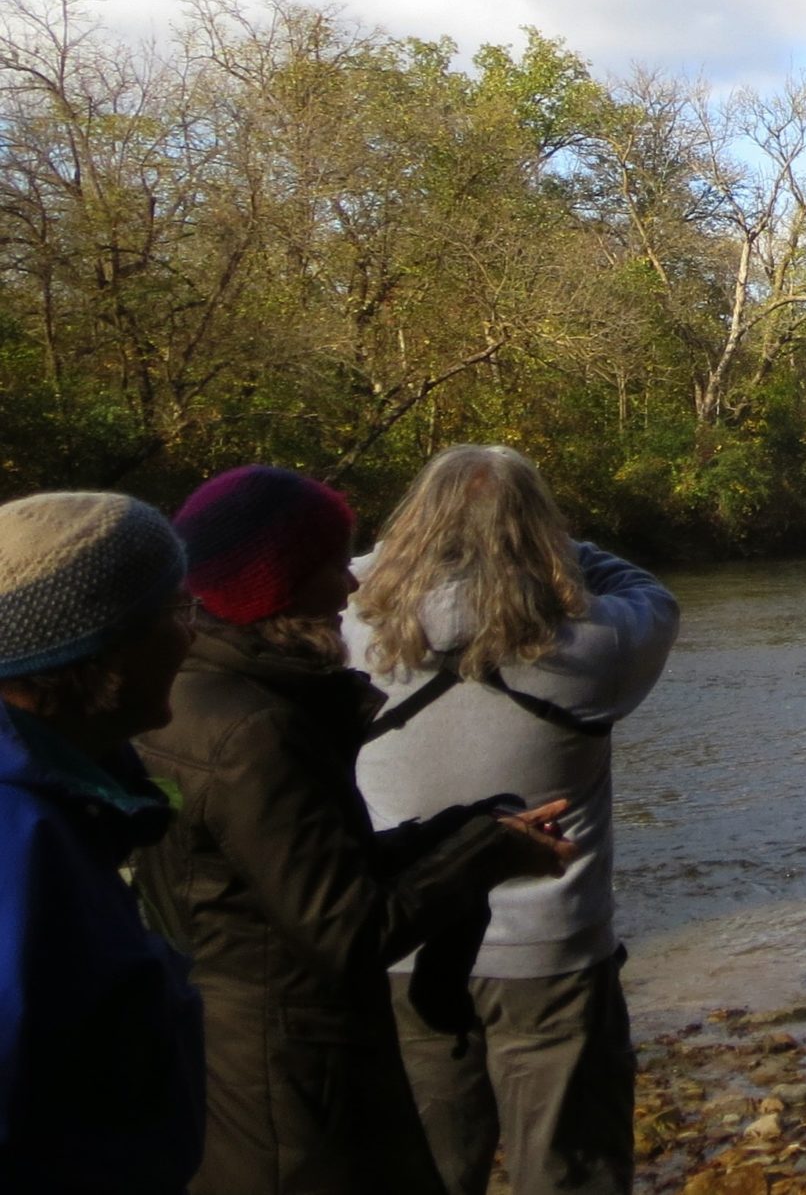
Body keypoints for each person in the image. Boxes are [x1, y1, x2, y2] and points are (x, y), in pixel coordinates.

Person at [134, 466, 577, 1195]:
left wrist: (461, 830)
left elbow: (290, 875)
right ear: (272, 585)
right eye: (328, 565)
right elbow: (349, 930)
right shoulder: (259, 730)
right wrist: (492, 850)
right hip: (294, 1081)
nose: (350, 585)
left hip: (223, 1051)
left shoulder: (185, 692)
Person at [348, 446, 678, 1195]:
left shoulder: (354, 637)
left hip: (402, 943)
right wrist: (560, 552)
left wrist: (399, 555)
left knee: (422, 1172)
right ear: (540, 530)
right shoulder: (593, 647)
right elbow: (651, 593)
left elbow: (361, 572)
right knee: (569, 1171)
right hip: (553, 953)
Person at [0, 491, 204, 1193]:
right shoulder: (18, 842)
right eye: (176, 611)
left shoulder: (70, 803)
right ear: (100, 646)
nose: (193, 635)